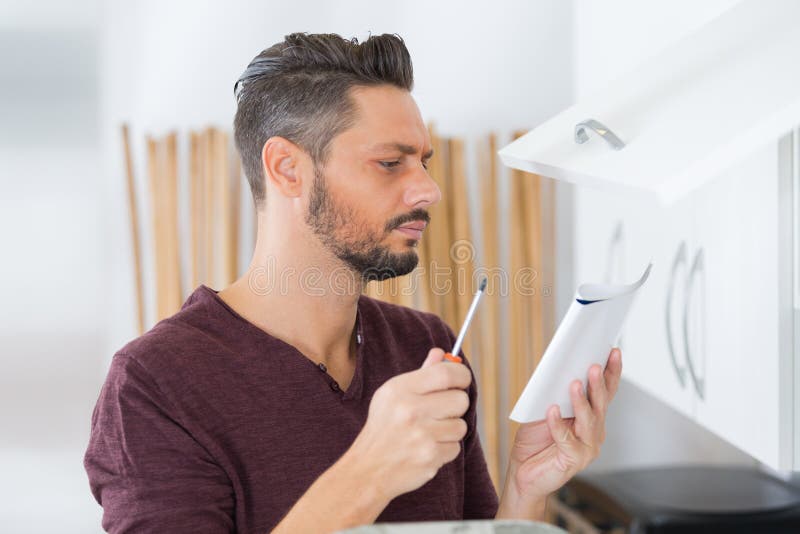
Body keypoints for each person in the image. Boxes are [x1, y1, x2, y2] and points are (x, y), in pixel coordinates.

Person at [84, 32, 622, 533]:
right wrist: (370, 471)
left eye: (424, 163)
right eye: (390, 163)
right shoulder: (157, 384)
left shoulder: (425, 347)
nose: (428, 191)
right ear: (288, 169)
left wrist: (525, 492)